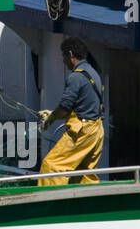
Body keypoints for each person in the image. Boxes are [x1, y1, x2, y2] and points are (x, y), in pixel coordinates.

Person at [38, 37, 105, 187]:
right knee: (84, 173)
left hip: (82, 131)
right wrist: (53, 113)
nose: (63, 61)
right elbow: (85, 105)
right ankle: (88, 205)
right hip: (96, 131)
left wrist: (51, 118)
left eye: (63, 56)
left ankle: (50, 205)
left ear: (70, 54)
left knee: (52, 166)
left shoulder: (76, 77)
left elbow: (64, 107)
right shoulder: (93, 73)